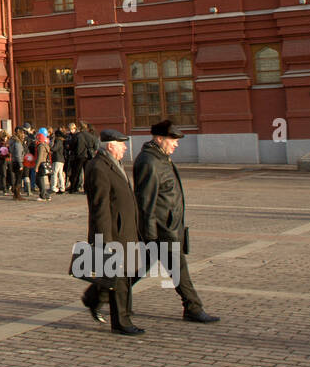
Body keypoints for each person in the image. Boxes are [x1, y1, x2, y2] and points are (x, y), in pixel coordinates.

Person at [134, 119, 219, 324]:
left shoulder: (161, 158)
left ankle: (101, 295)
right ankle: (193, 307)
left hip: (168, 226)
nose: (176, 144)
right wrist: (150, 235)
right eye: (173, 140)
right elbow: (145, 201)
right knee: (179, 270)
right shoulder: (149, 161)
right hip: (161, 230)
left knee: (138, 269)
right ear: (159, 138)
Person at [81, 129, 145, 336]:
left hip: (125, 230)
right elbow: (100, 206)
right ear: (110, 145)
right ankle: (121, 322)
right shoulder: (99, 167)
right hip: (113, 234)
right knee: (119, 278)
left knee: (122, 275)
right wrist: (105, 240)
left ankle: (94, 299)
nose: (125, 147)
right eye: (121, 143)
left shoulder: (114, 164)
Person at [34, 128, 52, 201]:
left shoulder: (41, 146)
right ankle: (45, 194)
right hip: (44, 164)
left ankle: (43, 195)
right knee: (39, 180)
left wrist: (36, 167)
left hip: (41, 164)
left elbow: (40, 157)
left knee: (39, 180)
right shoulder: (45, 145)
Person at [51, 128, 67, 194]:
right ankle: (62, 187)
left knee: (55, 173)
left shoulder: (58, 141)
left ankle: (54, 187)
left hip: (57, 159)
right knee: (60, 174)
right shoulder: (61, 141)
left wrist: (50, 147)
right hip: (61, 159)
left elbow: (54, 149)